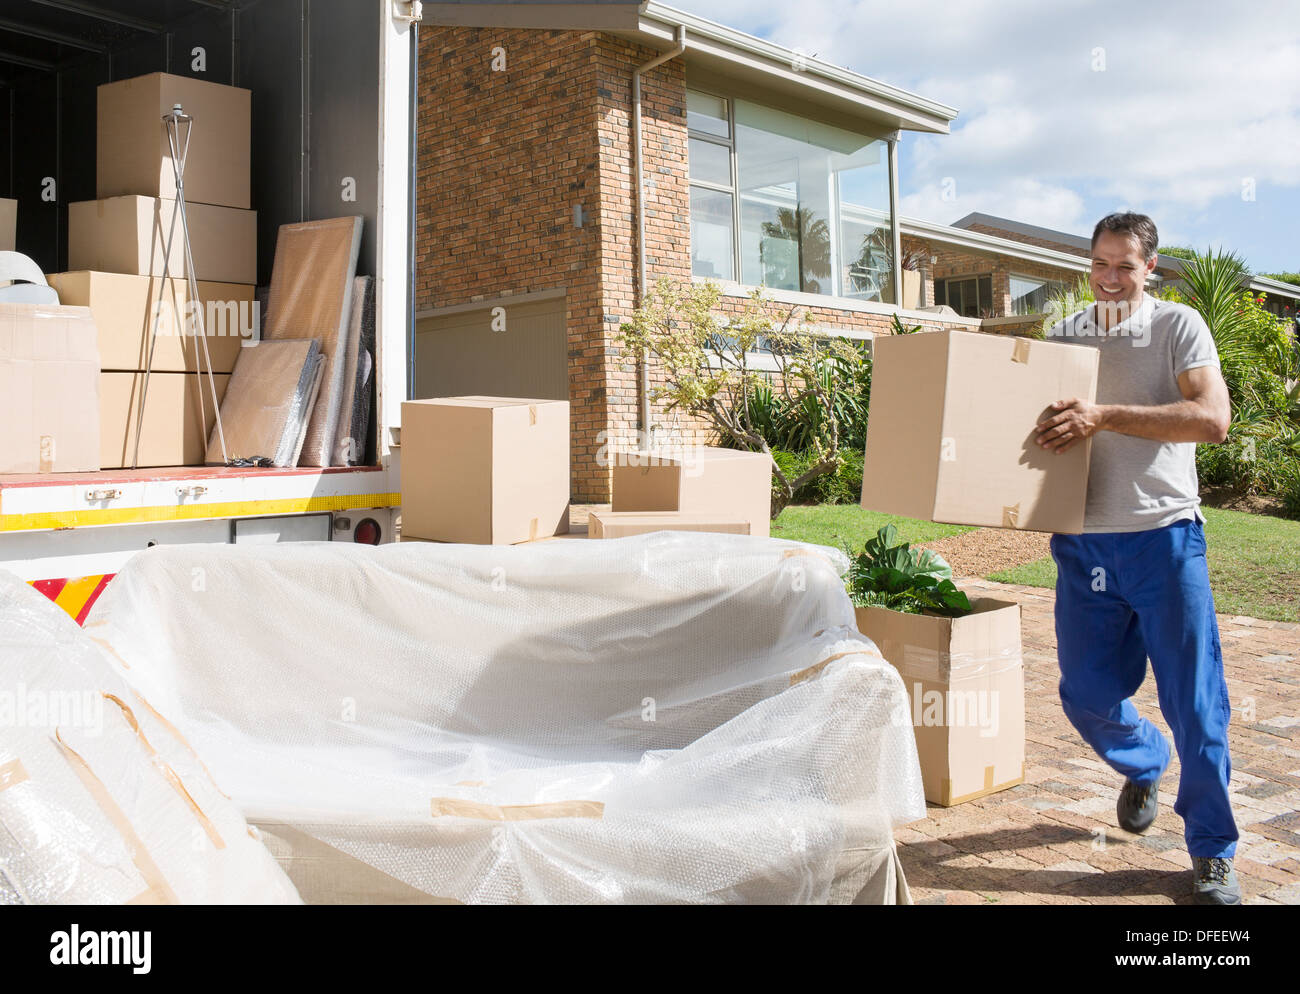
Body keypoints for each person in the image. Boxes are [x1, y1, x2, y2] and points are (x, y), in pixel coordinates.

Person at [1034, 211, 1239, 905]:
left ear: (1151, 267)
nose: (1111, 279)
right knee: (1085, 690)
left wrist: (1105, 414)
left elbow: (1213, 419)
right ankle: (1145, 761)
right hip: (1084, 540)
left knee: (1196, 706)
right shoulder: (1063, 337)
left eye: (1126, 266)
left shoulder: (1177, 328)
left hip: (1163, 537)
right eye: (1100, 264)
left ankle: (1212, 850)